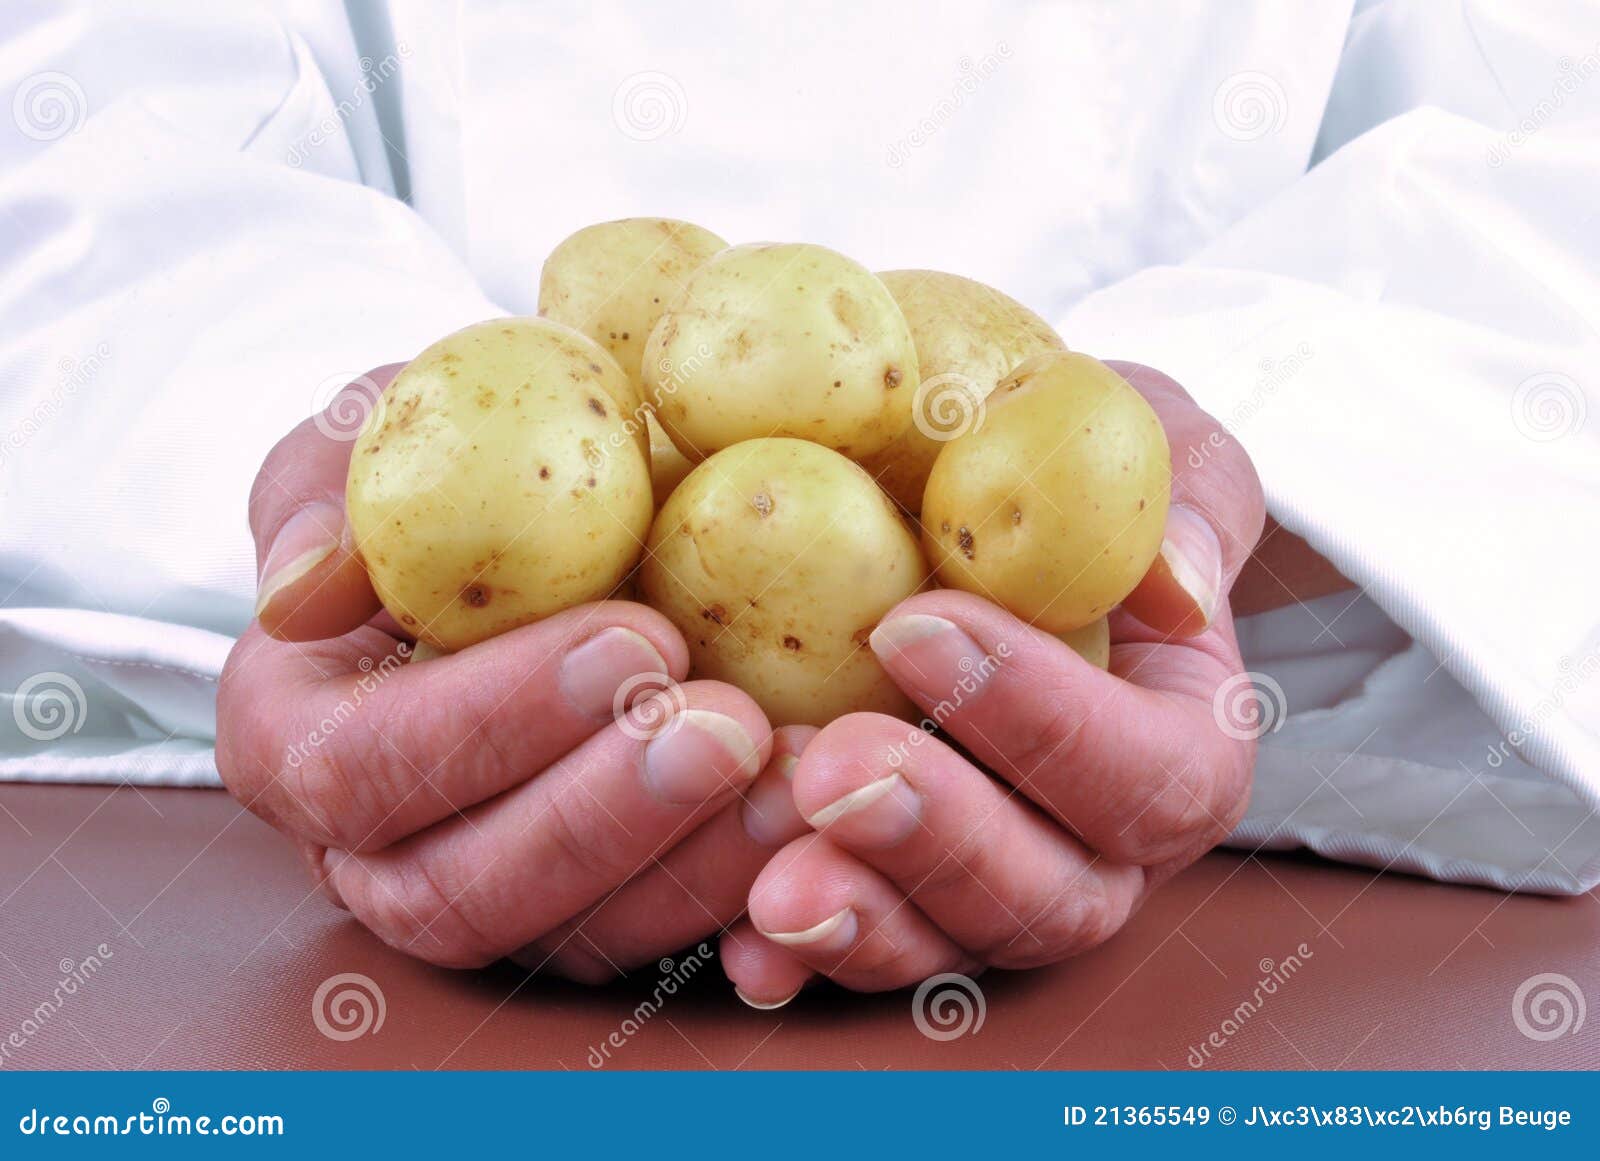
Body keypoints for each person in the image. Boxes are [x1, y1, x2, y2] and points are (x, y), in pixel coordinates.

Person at [3, 3, 1596, 1007]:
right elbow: (86, 110)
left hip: (1275, 808)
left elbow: (1546, 134)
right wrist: (325, 442)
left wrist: (1251, 465)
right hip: (246, 868)